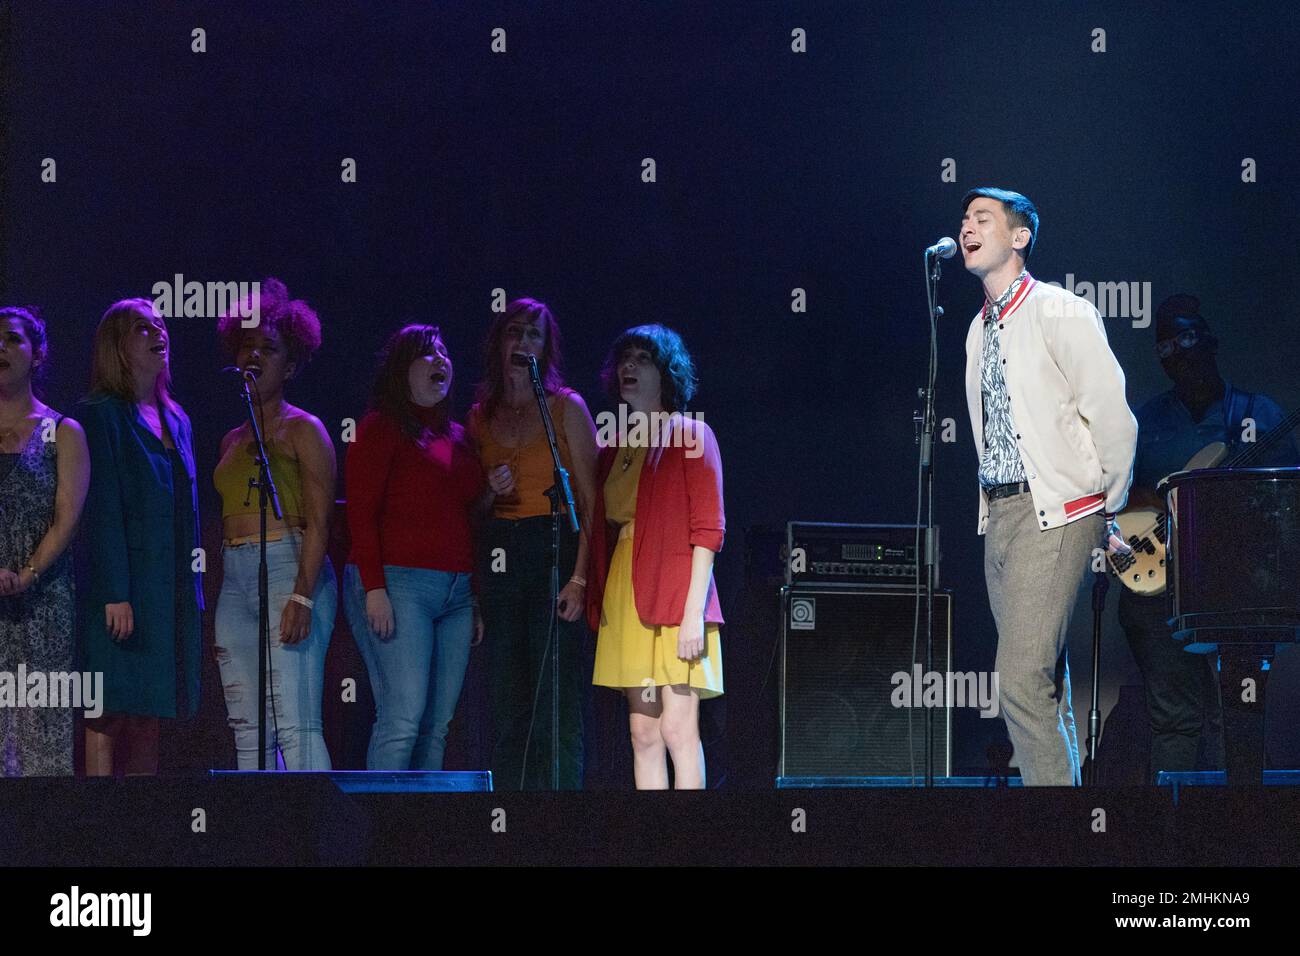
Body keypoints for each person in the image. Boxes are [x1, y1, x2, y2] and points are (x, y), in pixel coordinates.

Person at [959, 187, 1137, 786]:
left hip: (1060, 513)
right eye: (963, 220)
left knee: (1018, 679)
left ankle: (1052, 836)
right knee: (1043, 685)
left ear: (1019, 236)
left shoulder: (1061, 311)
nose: (966, 228)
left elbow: (1112, 416)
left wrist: (1107, 509)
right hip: (1002, 516)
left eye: (982, 218)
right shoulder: (976, 331)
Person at [1119, 293, 1297, 781]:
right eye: (1166, 347)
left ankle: (1232, 831)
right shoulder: (1144, 421)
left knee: (1234, 717)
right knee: (1174, 720)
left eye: (1188, 338)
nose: (1178, 352)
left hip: (1236, 591)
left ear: (1211, 344)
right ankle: (1173, 837)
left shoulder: (1259, 415)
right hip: (1158, 590)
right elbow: (1113, 498)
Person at [587, 324, 724, 790]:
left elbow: (709, 531)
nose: (629, 366)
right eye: (624, 358)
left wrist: (693, 615)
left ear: (665, 373)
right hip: (627, 593)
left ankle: (688, 843)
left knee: (677, 729)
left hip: (676, 591)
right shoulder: (614, 448)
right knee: (642, 732)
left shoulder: (691, 434)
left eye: (642, 359)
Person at [468, 298, 598, 790]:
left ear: (545, 349)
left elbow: (587, 501)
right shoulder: (481, 416)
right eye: (514, 332)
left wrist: (580, 578)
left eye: (534, 335)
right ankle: (509, 823)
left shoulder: (566, 406)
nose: (523, 342)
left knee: (557, 702)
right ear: (499, 344)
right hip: (504, 552)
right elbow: (473, 513)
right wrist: (488, 491)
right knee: (507, 700)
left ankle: (561, 826)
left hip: (555, 546)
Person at [343, 324, 486, 770]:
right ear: (402, 371)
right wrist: (374, 589)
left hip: (457, 595)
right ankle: (380, 831)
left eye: (444, 352)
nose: (439, 360)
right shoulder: (380, 429)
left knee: (437, 726)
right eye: (426, 355)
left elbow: (465, 520)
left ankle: (420, 831)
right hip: (399, 585)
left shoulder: (460, 437)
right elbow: (360, 514)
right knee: (402, 717)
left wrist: (473, 596)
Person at [213, 279, 338, 770]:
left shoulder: (304, 428)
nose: (256, 355)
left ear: (290, 364)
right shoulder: (228, 439)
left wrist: (302, 594)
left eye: (270, 347)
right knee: (249, 731)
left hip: (291, 566)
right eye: (248, 345)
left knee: (297, 724)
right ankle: (259, 842)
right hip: (235, 577)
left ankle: (312, 843)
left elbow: (322, 521)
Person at [77, 299, 204, 776]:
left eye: (160, 324)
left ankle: (141, 832)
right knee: (108, 713)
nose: (157, 332)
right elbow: (102, 507)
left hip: (166, 592)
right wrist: (115, 592)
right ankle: (100, 828)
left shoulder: (179, 420)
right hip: (122, 589)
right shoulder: (100, 414)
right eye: (141, 328)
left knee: (151, 714)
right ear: (118, 346)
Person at [0, 306, 90, 776]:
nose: (1, 348)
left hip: (44, 602)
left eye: (13, 339)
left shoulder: (63, 431)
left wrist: (28, 573)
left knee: (41, 740)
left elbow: (67, 518)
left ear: (37, 355)